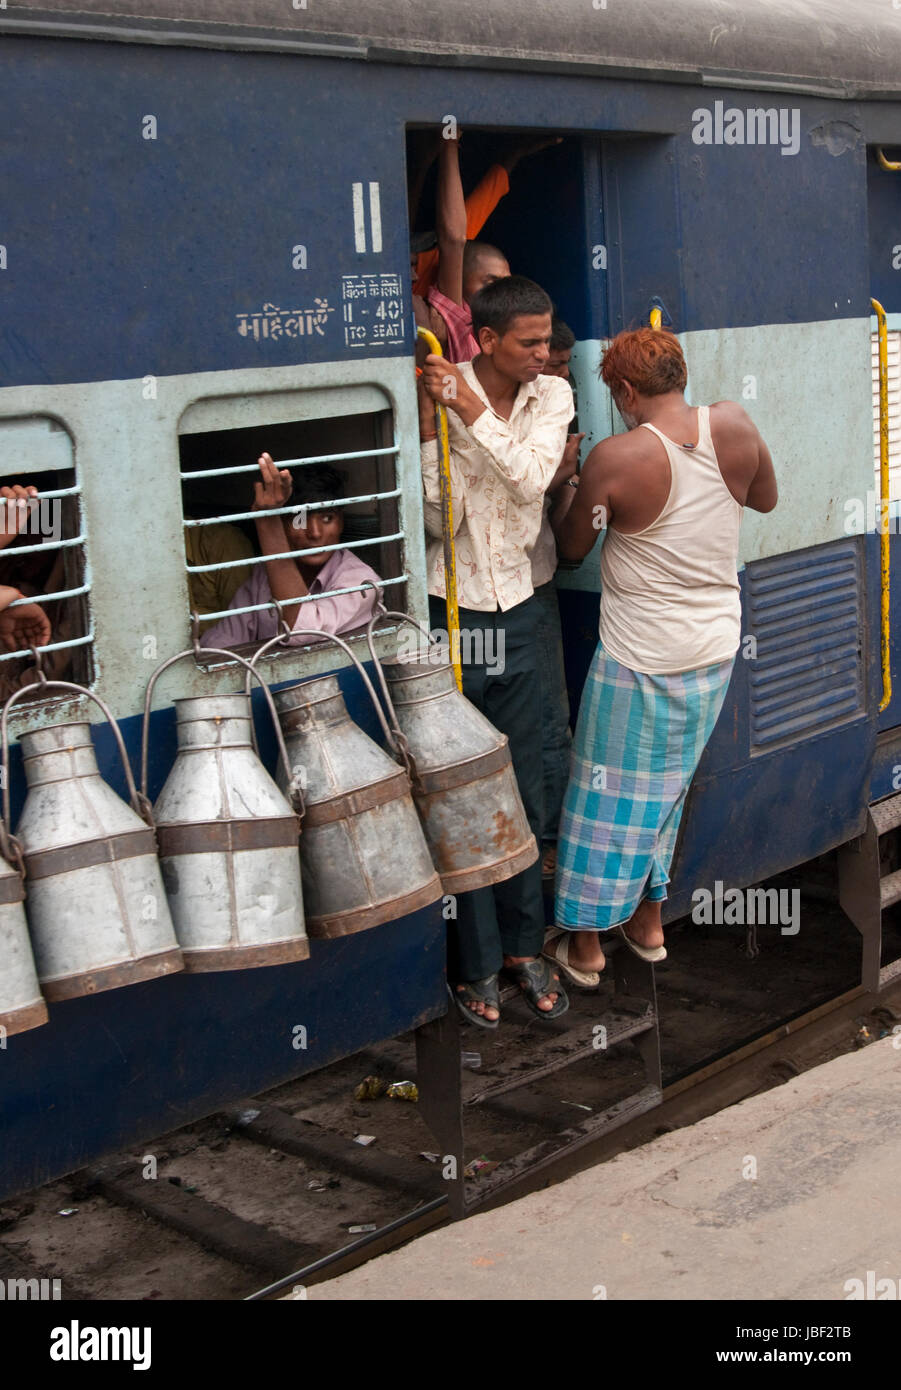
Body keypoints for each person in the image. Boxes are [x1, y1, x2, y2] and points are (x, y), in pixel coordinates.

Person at [545, 328, 777, 984]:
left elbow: (570, 550)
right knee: (662, 787)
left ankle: (585, 947)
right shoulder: (731, 424)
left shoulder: (615, 459)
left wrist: (569, 482)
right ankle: (647, 924)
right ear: (678, 373)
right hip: (713, 647)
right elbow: (763, 498)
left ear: (622, 391)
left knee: (604, 797)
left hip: (639, 657)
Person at [418, 275, 575, 1027]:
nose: (545, 354)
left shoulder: (550, 399)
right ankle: (474, 960)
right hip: (449, 614)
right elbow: (435, 524)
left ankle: (524, 945)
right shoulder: (434, 402)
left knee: (526, 784)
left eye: (547, 340)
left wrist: (468, 412)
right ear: (484, 340)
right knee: (459, 788)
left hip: (523, 610)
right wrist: (428, 433)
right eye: (529, 343)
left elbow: (531, 479)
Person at [204, 459, 381, 649]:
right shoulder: (263, 576)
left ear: (341, 522)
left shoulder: (362, 582)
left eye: (327, 518)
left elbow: (301, 632)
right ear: (283, 522)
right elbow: (220, 642)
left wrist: (267, 520)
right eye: (300, 519)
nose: (315, 533)